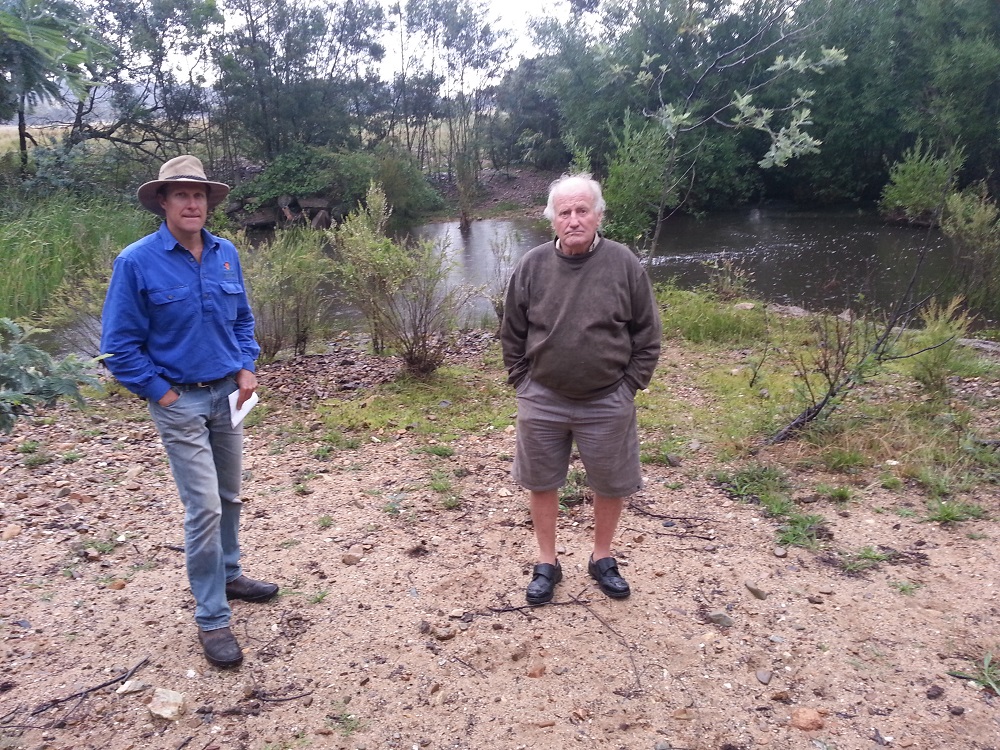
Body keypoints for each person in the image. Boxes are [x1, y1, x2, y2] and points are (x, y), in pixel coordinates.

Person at [101, 155, 277, 668]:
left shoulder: (227, 254)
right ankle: (212, 618)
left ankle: (229, 572)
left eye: (199, 195)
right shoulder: (135, 261)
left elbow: (243, 320)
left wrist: (247, 366)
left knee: (229, 494)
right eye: (181, 194)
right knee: (203, 507)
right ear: (163, 201)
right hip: (179, 400)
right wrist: (163, 393)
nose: (192, 203)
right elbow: (119, 346)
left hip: (229, 394)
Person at [500, 173, 662, 605]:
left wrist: (628, 387)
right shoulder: (532, 265)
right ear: (553, 219)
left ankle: (602, 558)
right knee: (541, 481)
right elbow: (512, 332)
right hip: (543, 397)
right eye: (565, 212)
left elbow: (647, 333)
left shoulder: (623, 262)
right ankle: (547, 562)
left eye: (582, 210)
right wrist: (522, 380)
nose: (574, 220)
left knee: (610, 483)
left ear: (598, 215)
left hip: (608, 398)